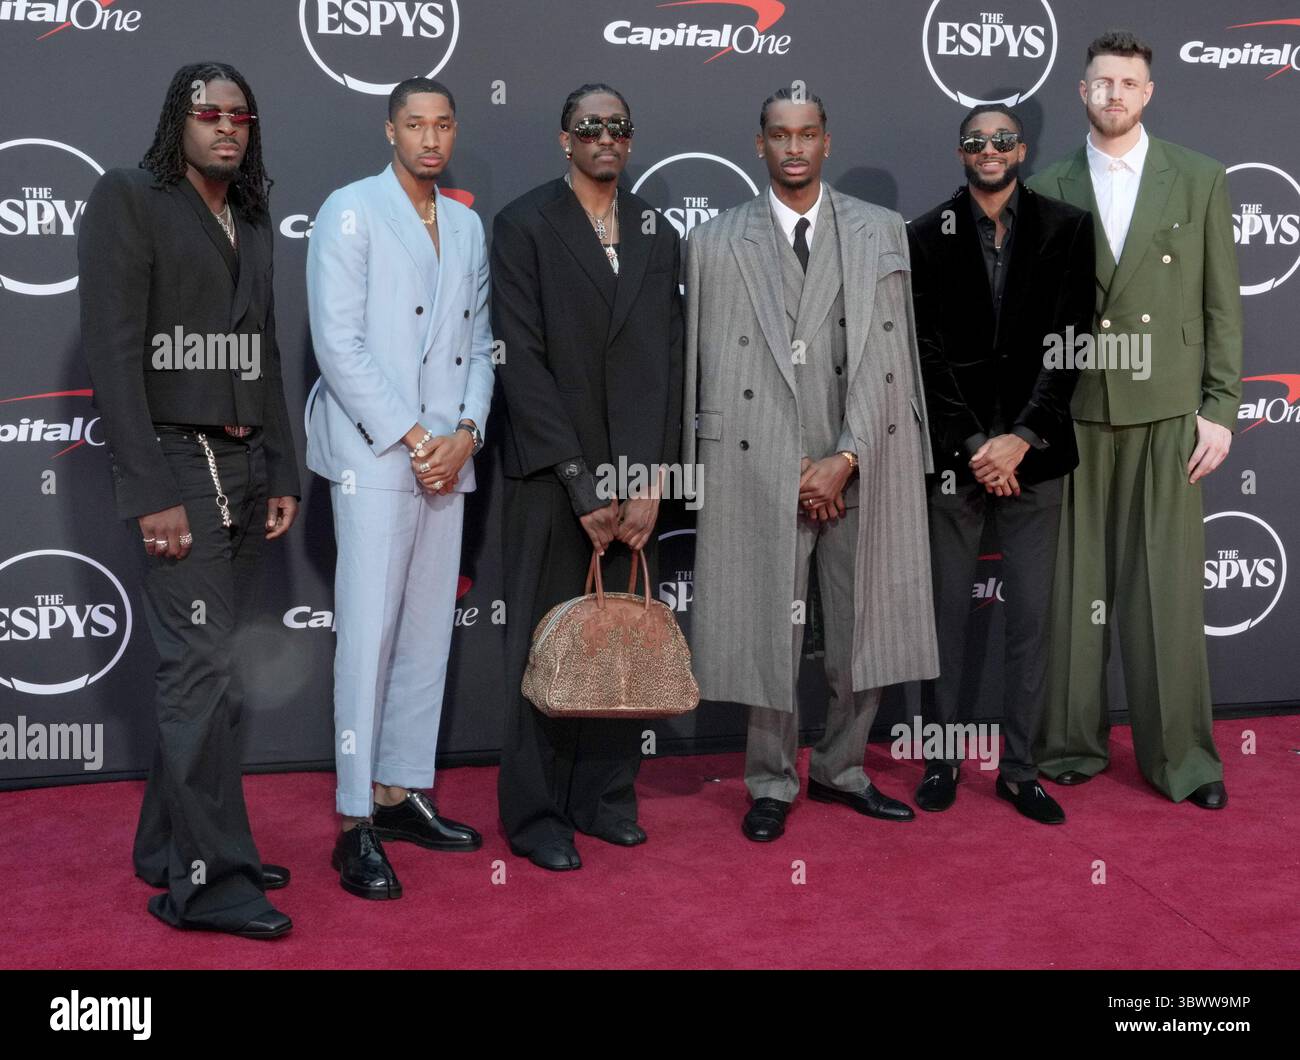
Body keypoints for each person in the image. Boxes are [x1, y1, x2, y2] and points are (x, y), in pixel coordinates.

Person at [79, 62, 299, 938]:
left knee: (215, 672)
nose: (225, 126)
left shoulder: (250, 213)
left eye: (240, 114)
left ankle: (174, 845)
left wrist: (282, 469)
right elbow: (112, 352)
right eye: (208, 112)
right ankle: (206, 883)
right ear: (179, 120)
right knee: (198, 671)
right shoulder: (129, 197)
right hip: (177, 461)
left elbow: (267, 355)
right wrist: (150, 489)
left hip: (246, 469)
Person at [683, 89, 939, 843]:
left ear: (827, 141)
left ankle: (842, 767)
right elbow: (709, 376)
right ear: (758, 144)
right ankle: (769, 779)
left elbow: (895, 360)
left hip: (864, 459)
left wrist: (846, 457)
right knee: (768, 625)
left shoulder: (880, 230)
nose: (793, 147)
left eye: (807, 134)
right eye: (779, 135)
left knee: (867, 624)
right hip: (762, 465)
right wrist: (796, 467)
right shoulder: (714, 241)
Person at [1027, 31, 1243, 808]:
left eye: (1128, 82)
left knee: (1167, 597)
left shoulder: (1200, 178)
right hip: (1077, 417)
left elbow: (1223, 303)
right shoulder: (1047, 184)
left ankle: (1183, 758)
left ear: (1147, 94)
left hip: (1166, 417)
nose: (1114, 93)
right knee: (1072, 594)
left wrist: (1220, 407)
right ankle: (1068, 746)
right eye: (1102, 82)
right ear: (1082, 93)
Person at [306, 77, 493, 899]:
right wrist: (417, 438)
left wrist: (465, 436)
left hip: (448, 456)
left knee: (426, 633)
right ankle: (354, 821)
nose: (430, 138)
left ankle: (398, 789)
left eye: (443, 124)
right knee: (369, 632)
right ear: (390, 130)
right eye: (415, 123)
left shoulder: (466, 222)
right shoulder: (350, 209)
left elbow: (481, 345)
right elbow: (337, 344)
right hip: (375, 452)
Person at [492, 83, 684, 871]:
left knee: (618, 648)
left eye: (617, 127)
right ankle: (536, 813)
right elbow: (522, 362)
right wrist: (581, 484)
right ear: (563, 138)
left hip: (637, 483)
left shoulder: (657, 230)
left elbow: (671, 366)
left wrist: (649, 483)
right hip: (550, 478)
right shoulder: (523, 224)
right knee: (549, 647)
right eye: (589, 126)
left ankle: (604, 799)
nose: (605, 137)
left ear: (630, 140)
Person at [908, 104, 1095, 823]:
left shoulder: (1068, 228)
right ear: (960, 151)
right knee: (944, 617)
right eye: (977, 141)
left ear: (1023, 149)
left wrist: (1021, 437)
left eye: (1004, 140)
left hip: (1036, 456)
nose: (991, 151)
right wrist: (973, 448)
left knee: (1032, 623)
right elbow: (924, 358)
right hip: (957, 463)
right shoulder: (926, 234)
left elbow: (1071, 342)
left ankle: (1020, 769)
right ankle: (942, 760)